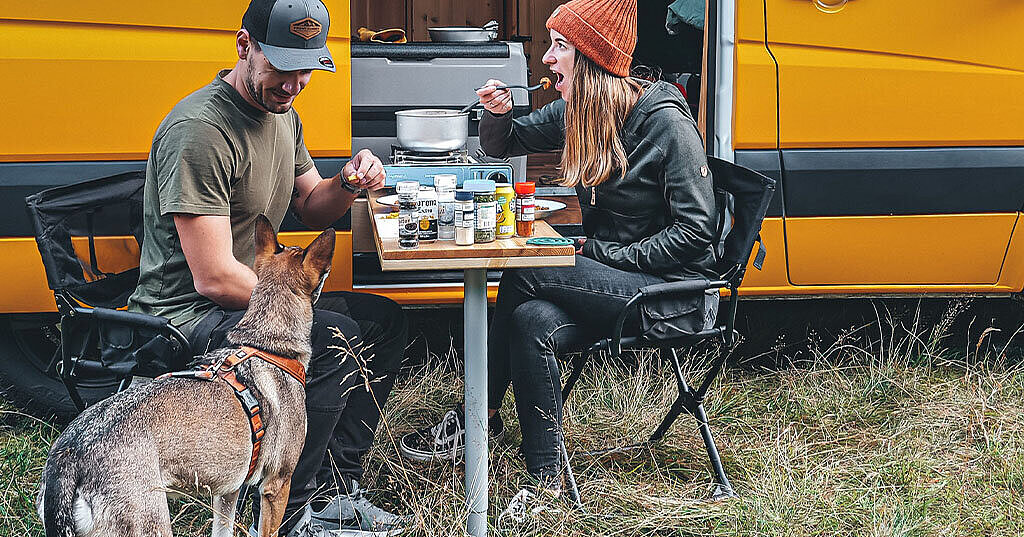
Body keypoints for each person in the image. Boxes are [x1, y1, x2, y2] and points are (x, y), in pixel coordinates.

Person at [398, 0, 718, 512]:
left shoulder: (665, 125)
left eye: (560, 47)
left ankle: (477, 413)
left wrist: (606, 252)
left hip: (669, 293)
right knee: (530, 318)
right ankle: (544, 478)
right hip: (616, 277)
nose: (546, 59)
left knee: (533, 265)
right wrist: (498, 114)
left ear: (591, 61)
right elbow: (510, 142)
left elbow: (696, 232)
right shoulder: (581, 109)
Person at [126, 1, 409, 535]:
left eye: (307, 68)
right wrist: (299, 305)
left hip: (252, 297)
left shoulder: (283, 115)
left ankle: (332, 489)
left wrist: (347, 183)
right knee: (334, 342)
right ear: (243, 46)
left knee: (384, 323)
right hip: (186, 313)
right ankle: (294, 509)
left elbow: (311, 204)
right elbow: (213, 277)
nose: (295, 83)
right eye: (282, 66)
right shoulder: (202, 132)